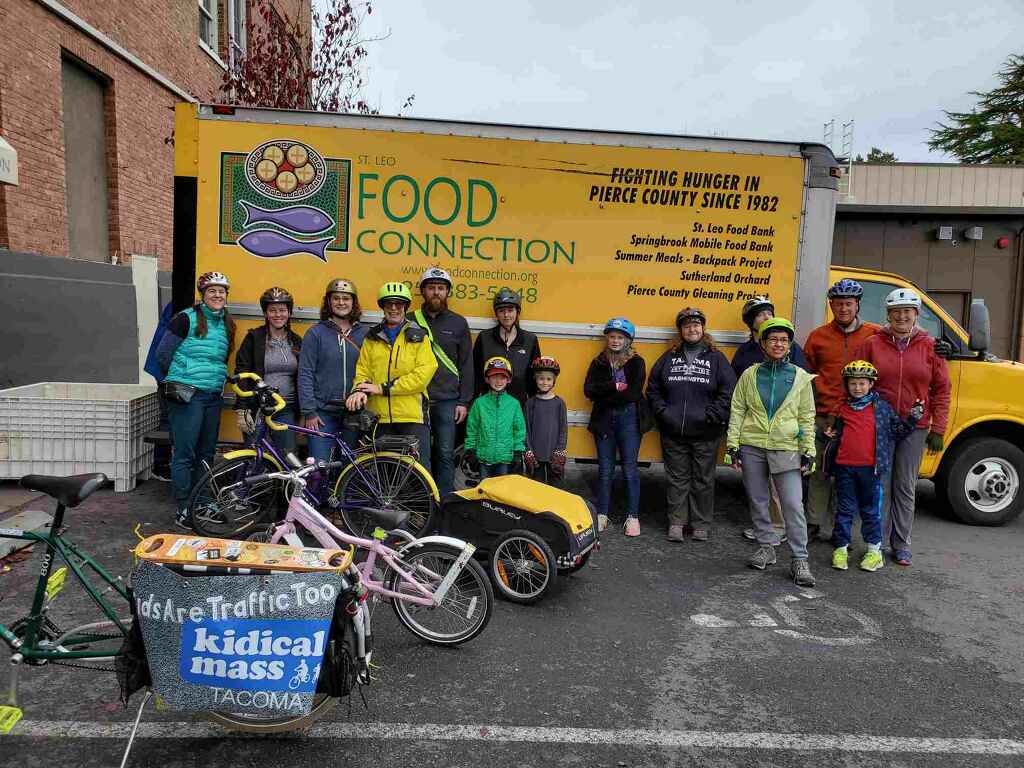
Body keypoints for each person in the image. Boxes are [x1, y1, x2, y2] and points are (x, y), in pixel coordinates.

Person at [854, 288, 951, 567]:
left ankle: (901, 544)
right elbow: (855, 383)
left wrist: (938, 429)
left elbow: (942, 390)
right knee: (879, 485)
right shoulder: (872, 344)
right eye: (896, 312)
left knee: (905, 486)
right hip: (880, 425)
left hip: (914, 426)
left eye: (907, 311)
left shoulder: (931, 346)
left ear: (916, 315)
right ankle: (877, 543)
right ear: (888, 315)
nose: (901, 316)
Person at [725, 318, 817, 587]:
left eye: (784, 340)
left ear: (789, 346)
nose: (778, 344)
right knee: (758, 499)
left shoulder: (800, 377)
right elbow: (738, 410)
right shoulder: (750, 374)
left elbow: (806, 416)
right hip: (752, 445)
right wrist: (733, 445)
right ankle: (766, 547)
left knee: (792, 504)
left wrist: (808, 450)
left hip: (786, 446)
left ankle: (800, 558)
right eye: (773, 339)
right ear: (763, 344)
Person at [825, 360, 923, 572]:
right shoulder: (842, 408)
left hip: (871, 469)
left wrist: (913, 419)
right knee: (844, 510)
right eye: (853, 384)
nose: (857, 388)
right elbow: (835, 433)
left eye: (862, 383)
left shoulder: (882, 408)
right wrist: (829, 432)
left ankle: (874, 550)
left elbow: (898, 432)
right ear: (847, 385)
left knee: (871, 511)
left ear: (871, 384)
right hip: (845, 467)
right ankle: (841, 548)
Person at [647, 307, 736, 542]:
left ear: (703, 328)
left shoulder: (716, 358)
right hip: (673, 430)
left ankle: (700, 524)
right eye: (687, 325)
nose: (692, 329)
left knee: (703, 480)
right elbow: (653, 388)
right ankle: (676, 522)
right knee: (677, 479)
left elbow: (728, 390)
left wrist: (713, 414)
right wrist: (664, 412)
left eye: (696, 325)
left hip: (707, 432)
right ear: (680, 331)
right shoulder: (669, 357)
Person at [803, 279, 881, 539]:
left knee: (848, 476)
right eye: (838, 304)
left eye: (848, 304)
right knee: (819, 471)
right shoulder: (818, 337)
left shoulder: (875, 334)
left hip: (858, 417)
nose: (843, 309)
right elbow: (808, 374)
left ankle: (841, 527)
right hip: (825, 414)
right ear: (831, 306)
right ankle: (813, 522)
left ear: (857, 305)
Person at [156, 271, 235, 528]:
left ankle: (203, 502)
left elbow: (220, 358)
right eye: (212, 291)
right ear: (203, 295)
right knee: (185, 454)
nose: (217, 295)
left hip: (212, 394)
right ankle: (183, 507)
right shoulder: (185, 318)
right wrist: (182, 376)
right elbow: (163, 353)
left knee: (206, 453)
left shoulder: (226, 323)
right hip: (188, 394)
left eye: (221, 291)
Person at [732, 296, 804, 543]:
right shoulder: (744, 354)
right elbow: (737, 393)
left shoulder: (791, 349)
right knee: (757, 487)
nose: (766, 317)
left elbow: (804, 388)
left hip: (782, 432)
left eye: (769, 312)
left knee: (780, 486)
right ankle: (765, 531)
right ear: (751, 323)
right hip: (754, 428)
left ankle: (779, 527)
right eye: (760, 314)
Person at [345, 282, 437, 471]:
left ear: (405, 307)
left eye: (399, 304)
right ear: (382, 307)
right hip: (379, 419)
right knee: (383, 475)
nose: (394, 308)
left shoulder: (419, 336)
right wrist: (359, 390)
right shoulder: (372, 337)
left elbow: (422, 375)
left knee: (416, 473)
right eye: (389, 304)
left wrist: (382, 388)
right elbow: (363, 370)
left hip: (412, 418)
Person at [410, 266, 474, 496]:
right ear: (423, 292)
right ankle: (423, 501)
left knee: (445, 454)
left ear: (447, 292)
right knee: (419, 455)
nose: (436, 292)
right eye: (431, 288)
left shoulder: (459, 323)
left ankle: (444, 503)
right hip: (415, 399)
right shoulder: (409, 321)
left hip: (448, 400)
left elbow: (467, 364)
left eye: (441, 288)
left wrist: (464, 401)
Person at [584, 318, 646, 536]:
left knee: (630, 468)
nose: (615, 341)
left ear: (628, 340)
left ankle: (633, 517)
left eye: (620, 337)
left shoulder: (637, 362)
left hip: (629, 419)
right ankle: (602, 514)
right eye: (612, 336)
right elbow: (589, 390)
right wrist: (613, 386)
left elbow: (633, 393)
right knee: (605, 469)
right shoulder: (599, 362)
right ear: (606, 338)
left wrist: (606, 394)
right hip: (604, 420)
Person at [298, 279, 369, 461]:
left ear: (353, 302)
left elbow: (372, 371)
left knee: (348, 467)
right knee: (320, 466)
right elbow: (305, 373)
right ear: (329, 302)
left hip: (354, 413)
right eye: (336, 298)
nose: (341, 302)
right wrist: (309, 412)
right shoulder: (316, 333)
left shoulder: (365, 334)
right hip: (322, 413)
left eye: (346, 298)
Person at [234, 287, 303, 455]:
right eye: (272, 310)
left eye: (282, 310)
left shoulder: (296, 341)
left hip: (285, 408)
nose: (278, 315)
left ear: (289, 312)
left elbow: (304, 376)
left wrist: (303, 412)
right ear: (265, 313)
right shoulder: (254, 338)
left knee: (287, 456)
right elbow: (242, 371)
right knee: (254, 455)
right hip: (257, 407)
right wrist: (242, 409)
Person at [473, 288, 541, 408]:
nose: (506, 315)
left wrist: (535, 405)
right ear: (496, 313)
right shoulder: (484, 338)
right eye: (501, 311)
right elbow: (476, 374)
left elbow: (534, 377)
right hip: (488, 404)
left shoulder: (530, 340)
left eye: (510, 310)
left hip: (518, 406)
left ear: (517, 312)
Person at [464, 356, 527, 479]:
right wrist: (470, 450)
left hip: (505, 459)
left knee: (502, 493)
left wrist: (518, 452)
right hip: (483, 458)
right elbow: (472, 428)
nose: (498, 381)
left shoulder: (514, 404)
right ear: (487, 379)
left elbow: (519, 430)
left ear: (509, 379)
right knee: (485, 491)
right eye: (494, 377)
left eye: (502, 377)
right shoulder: (479, 403)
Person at [730, 296, 808, 377]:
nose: (767, 318)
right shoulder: (744, 351)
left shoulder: (789, 347)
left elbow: (804, 378)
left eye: (769, 314)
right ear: (751, 321)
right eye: (760, 314)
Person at [524, 356, 568, 486]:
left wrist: (560, 451)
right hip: (535, 457)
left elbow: (563, 430)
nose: (545, 382)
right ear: (535, 379)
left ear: (554, 381)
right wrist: (528, 450)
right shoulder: (530, 403)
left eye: (549, 379)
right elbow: (526, 429)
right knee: (535, 491)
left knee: (556, 491)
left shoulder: (559, 403)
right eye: (541, 378)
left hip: (554, 457)